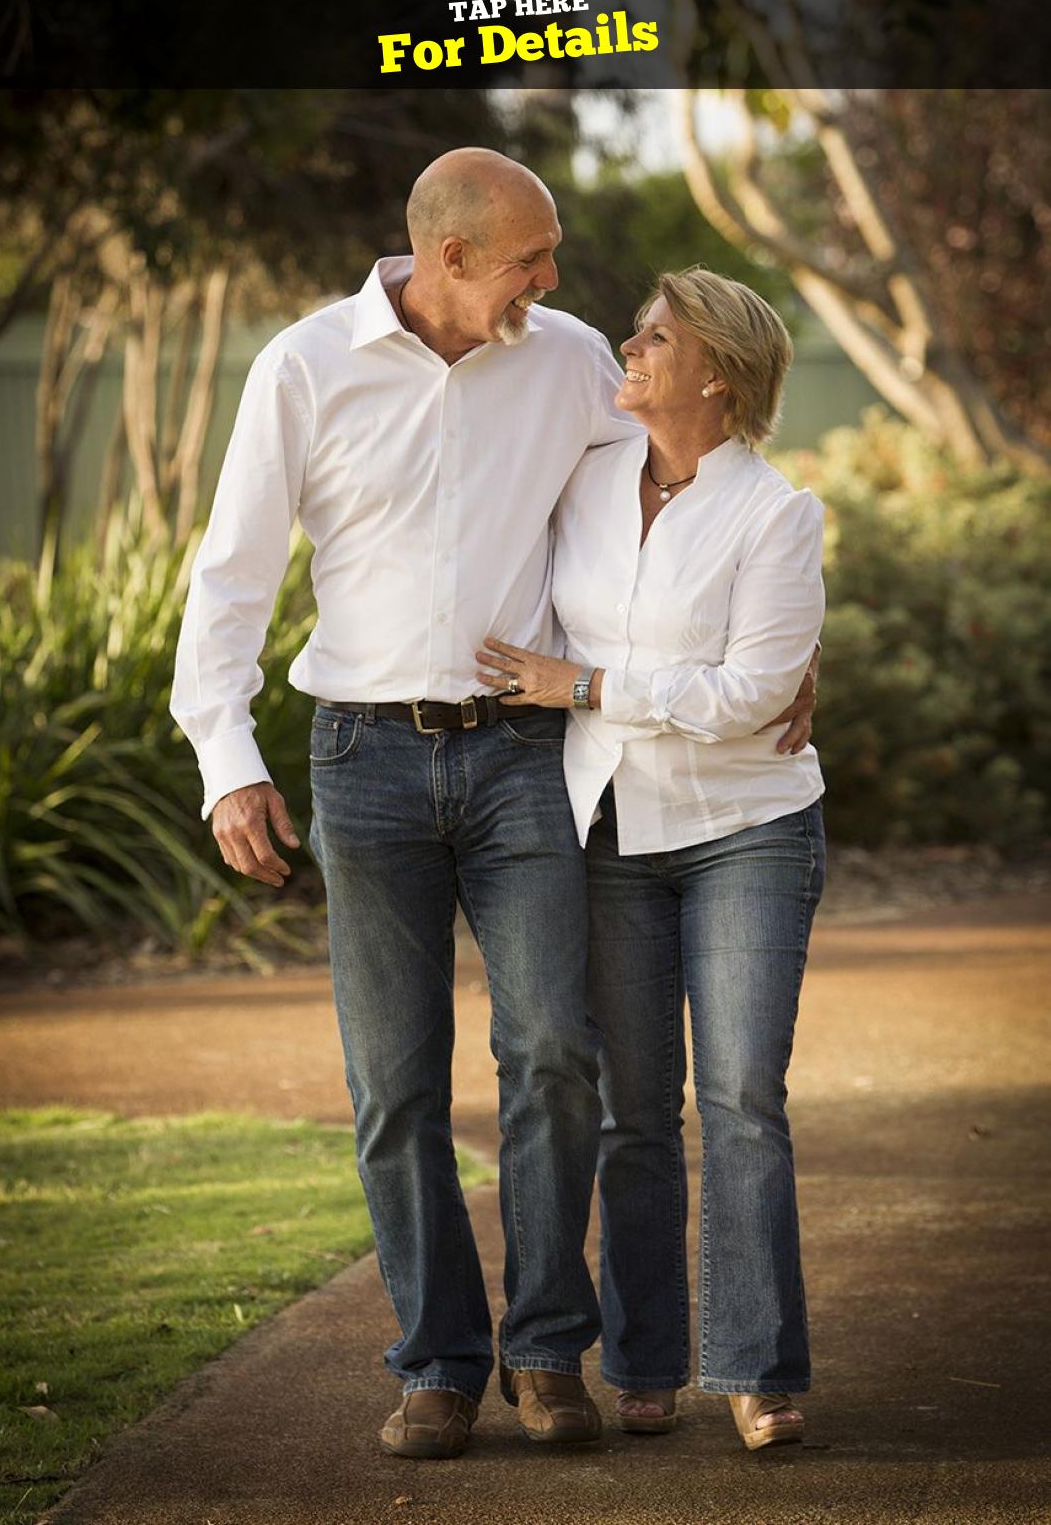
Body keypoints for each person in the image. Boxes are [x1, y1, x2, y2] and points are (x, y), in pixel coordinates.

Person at [171, 150, 815, 1460]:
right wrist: (223, 753)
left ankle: (541, 1350)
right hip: (365, 759)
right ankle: (438, 1362)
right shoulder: (304, 365)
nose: (554, 280)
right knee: (395, 1084)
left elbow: (695, 480)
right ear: (451, 256)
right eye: (530, 257)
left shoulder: (570, 354)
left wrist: (794, 649)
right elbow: (229, 572)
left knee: (554, 1058)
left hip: (526, 758)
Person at [477, 266, 825, 1452]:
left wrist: (587, 687)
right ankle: (644, 1359)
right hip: (609, 830)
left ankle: (759, 1367)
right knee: (635, 1110)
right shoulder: (583, 479)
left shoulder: (778, 512)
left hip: (749, 835)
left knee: (739, 1099)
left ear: (716, 373)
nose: (630, 343)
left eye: (657, 335)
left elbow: (754, 695)